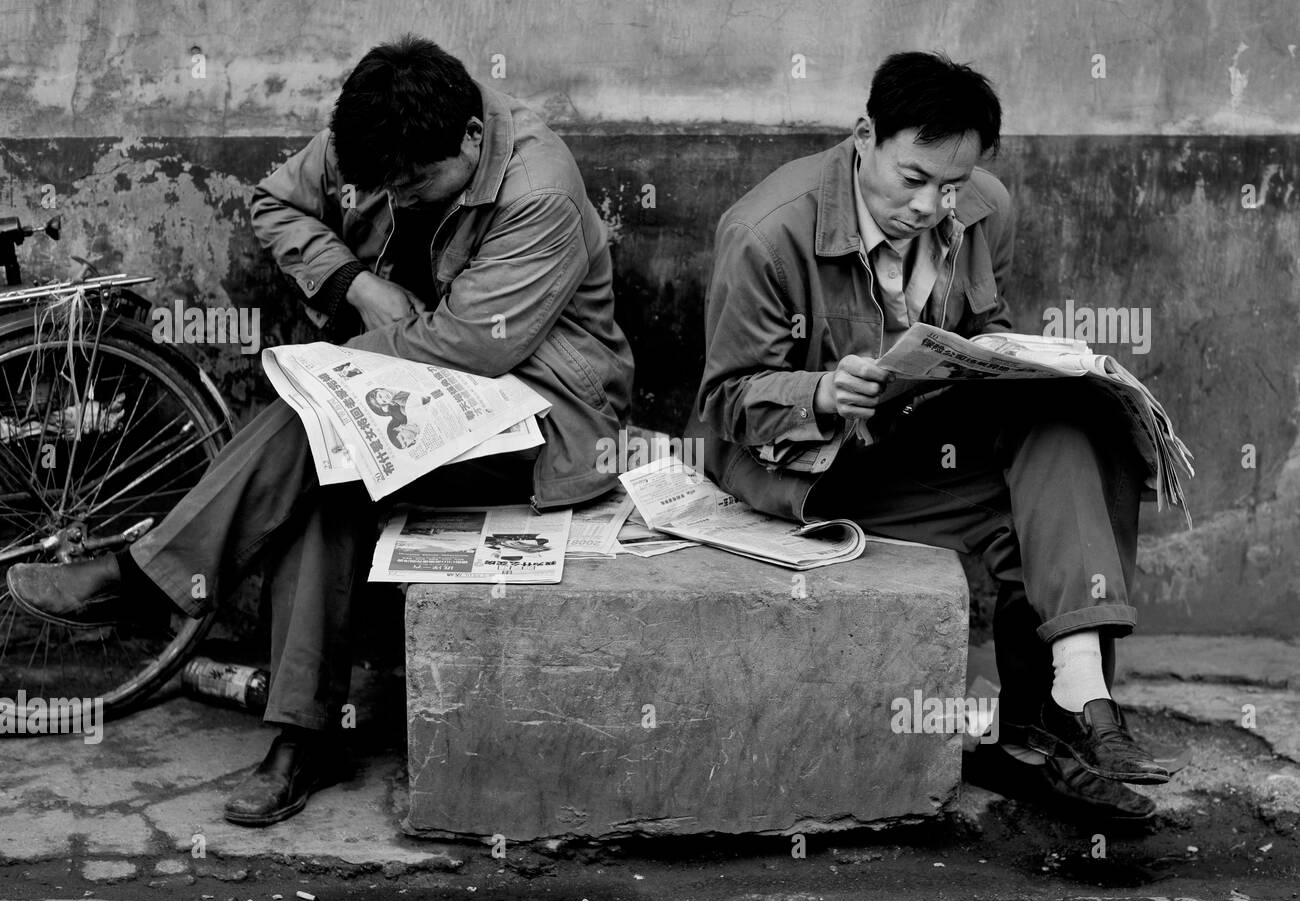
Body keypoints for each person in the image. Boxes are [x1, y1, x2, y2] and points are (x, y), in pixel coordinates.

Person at [7, 35, 634, 826]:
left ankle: (147, 581)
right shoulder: (370, 138)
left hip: (536, 419)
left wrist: (339, 370)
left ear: (473, 139)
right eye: (385, 187)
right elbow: (274, 201)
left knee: (315, 431)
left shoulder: (537, 190)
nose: (399, 201)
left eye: (417, 185)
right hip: (412, 396)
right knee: (332, 468)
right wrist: (357, 282)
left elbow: (477, 345)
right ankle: (305, 737)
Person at [689, 51, 1178, 825]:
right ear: (863, 136)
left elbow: (989, 330)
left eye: (951, 185)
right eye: (913, 179)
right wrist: (817, 392)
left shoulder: (983, 208)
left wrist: (1009, 358)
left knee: (1074, 426)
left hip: (930, 453)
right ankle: (1049, 722)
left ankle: (1070, 697)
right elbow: (723, 400)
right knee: (1037, 504)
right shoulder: (765, 233)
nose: (930, 205)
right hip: (824, 473)